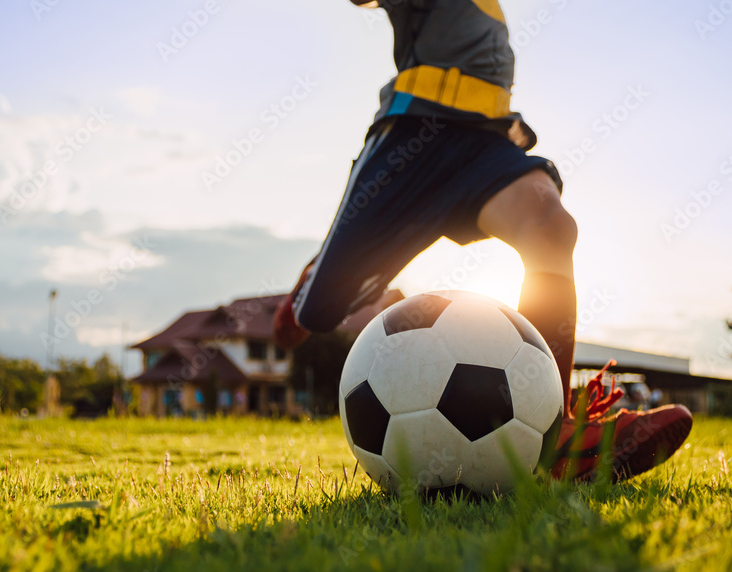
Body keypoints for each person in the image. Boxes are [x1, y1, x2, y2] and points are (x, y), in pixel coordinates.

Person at [274, 0, 692, 482]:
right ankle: (314, 282)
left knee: (550, 226)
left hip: (484, 141)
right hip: (414, 137)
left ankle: (556, 437)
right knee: (321, 312)